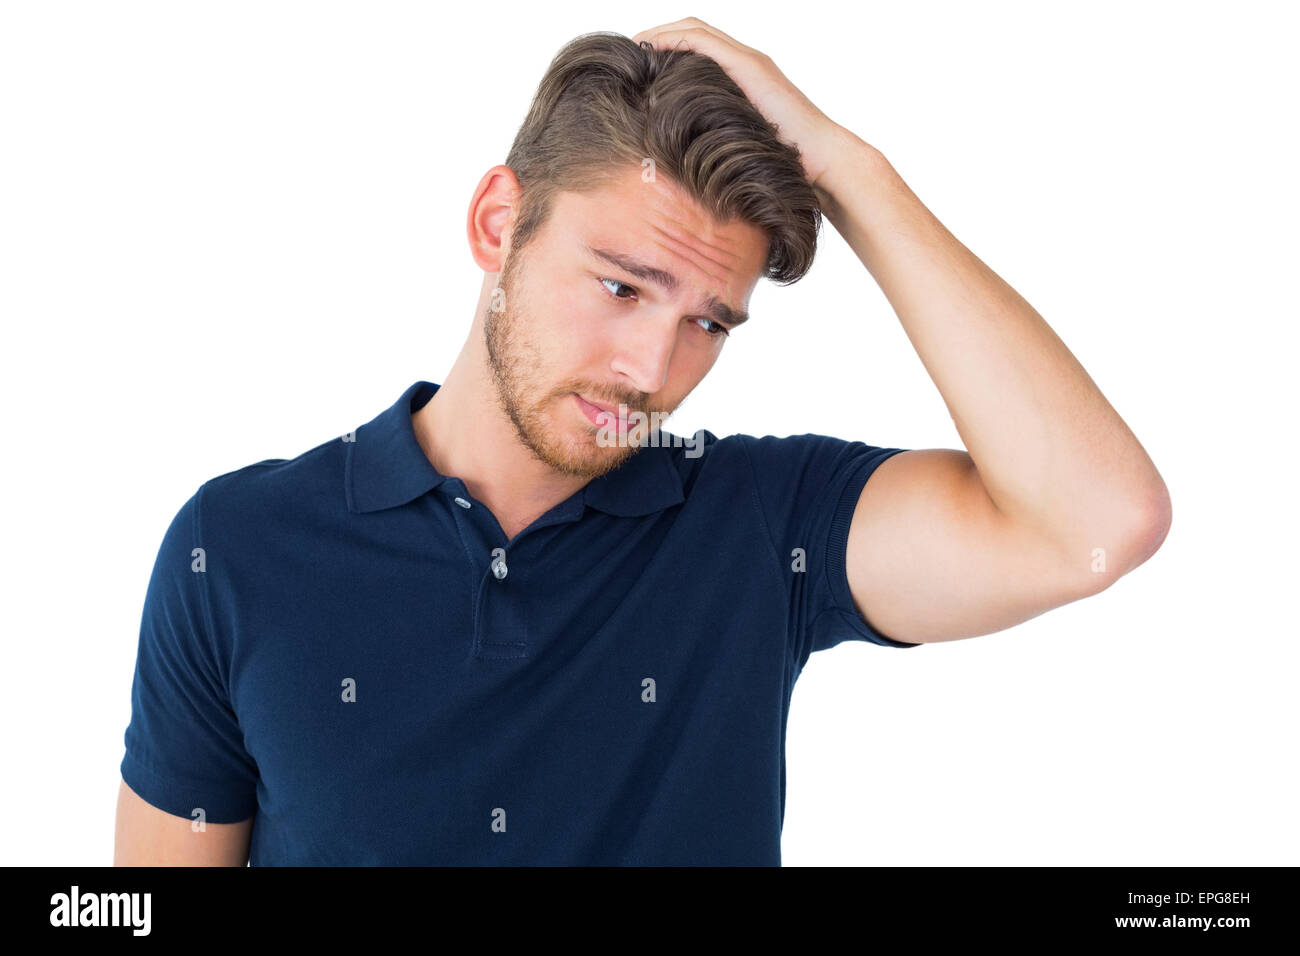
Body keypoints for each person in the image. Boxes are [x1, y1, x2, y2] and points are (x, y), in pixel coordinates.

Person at [115, 20, 1171, 866]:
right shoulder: (240, 544)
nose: (651, 370)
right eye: (621, 286)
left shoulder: (763, 521)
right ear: (497, 223)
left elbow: (1094, 522)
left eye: (708, 321)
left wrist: (849, 168)